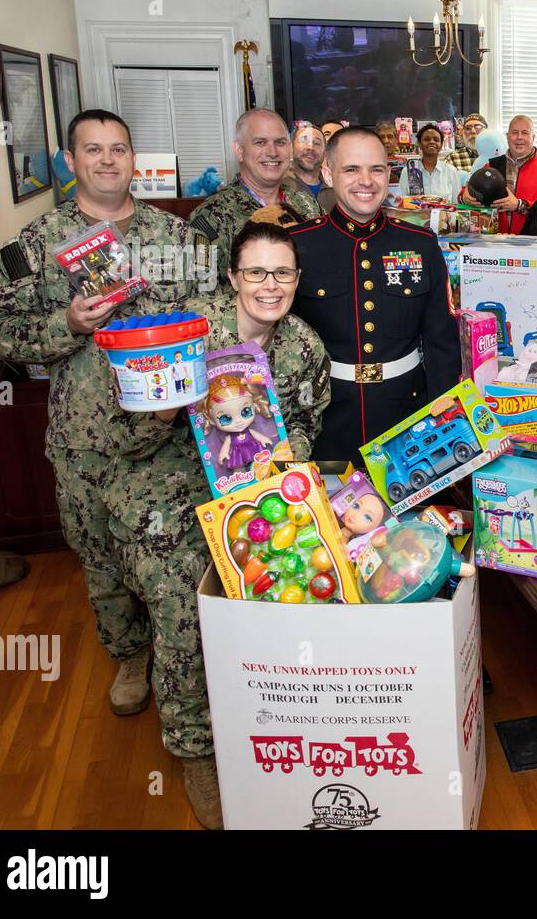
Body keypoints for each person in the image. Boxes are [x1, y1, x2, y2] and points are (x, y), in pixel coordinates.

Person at [0, 109, 214, 719]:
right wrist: (67, 325)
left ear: (135, 158)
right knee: (101, 558)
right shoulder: (35, 244)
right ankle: (128, 654)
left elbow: (215, 320)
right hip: (85, 440)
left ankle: (188, 664)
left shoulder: (179, 239)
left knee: (177, 560)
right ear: (70, 160)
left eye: (119, 148)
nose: (108, 160)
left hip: (168, 439)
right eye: (94, 149)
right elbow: (2, 332)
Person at [103, 221, 330, 829]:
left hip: (254, 496)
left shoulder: (303, 346)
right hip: (169, 486)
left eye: (282, 273)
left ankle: (274, 717)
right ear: (232, 277)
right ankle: (195, 748)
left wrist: (288, 454)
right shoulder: (185, 333)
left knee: (294, 579)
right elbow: (129, 430)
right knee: (183, 610)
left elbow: (308, 420)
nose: (269, 286)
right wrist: (171, 397)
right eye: (255, 272)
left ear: (297, 280)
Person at [288, 126, 461, 465]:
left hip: (409, 418)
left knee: (411, 514)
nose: (366, 180)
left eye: (376, 169)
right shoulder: (298, 245)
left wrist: (443, 417)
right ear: (328, 173)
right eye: (351, 169)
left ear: (388, 174)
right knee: (337, 513)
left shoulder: (420, 244)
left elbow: (441, 341)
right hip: (326, 421)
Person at [190, 108, 323, 281]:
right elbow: (202, 289)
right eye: (260, 142)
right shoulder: (211, 216)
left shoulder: (307, 204)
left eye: (280, 142)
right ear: (239, 150)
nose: (272, 152)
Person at [459, 114, 537, 234]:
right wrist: (465, 197)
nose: (519, 137)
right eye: (514, 132)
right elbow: (464, 195)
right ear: (507, 137)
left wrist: (519, 205)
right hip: (495, 241)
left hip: (534, 242)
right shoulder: (491, 166)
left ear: (533, 137)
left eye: (525, 133)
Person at [396, 123, 463, 200]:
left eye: (436, 140)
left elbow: (456, 204)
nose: (432, 142)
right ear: (419, 144)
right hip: (415, 212)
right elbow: (402, 202)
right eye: (426, 139)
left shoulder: (451, 171)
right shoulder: (407, 172)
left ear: (441, 145)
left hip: (445, 212)